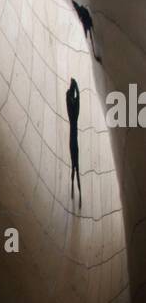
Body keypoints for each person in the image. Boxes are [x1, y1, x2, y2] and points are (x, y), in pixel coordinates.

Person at [66, 77, 81, 206]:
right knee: (75, 166)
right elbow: (76, 97)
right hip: (73, 142)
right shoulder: (74, 112)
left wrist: (74, 86)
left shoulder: (73, 113)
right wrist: (75, 86)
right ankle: (76, 191)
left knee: (74, 166)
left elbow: (73, 97)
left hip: (72, 142)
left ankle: (76, 192)